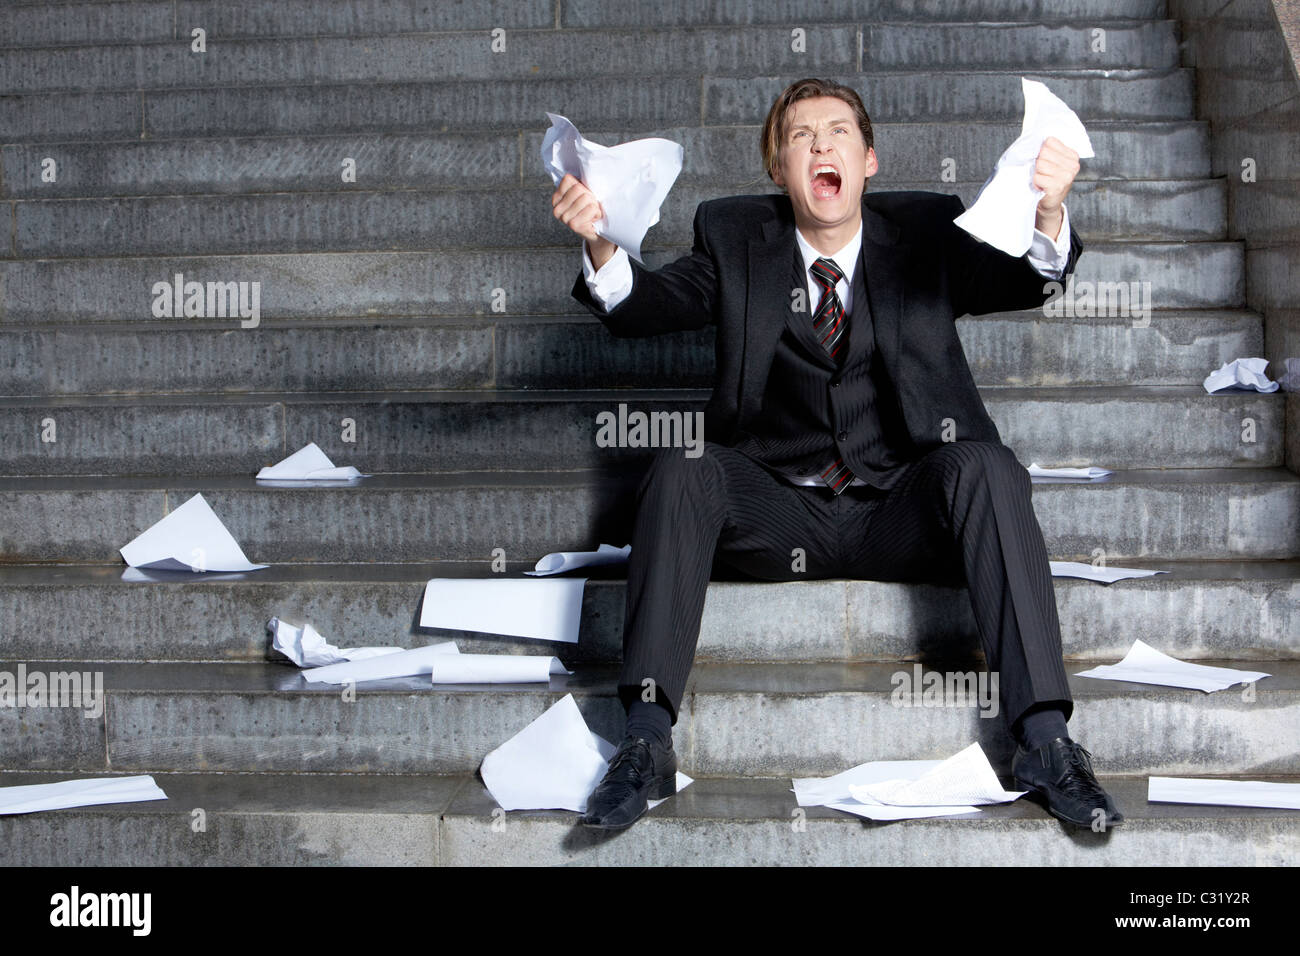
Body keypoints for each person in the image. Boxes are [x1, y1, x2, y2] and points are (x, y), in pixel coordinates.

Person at [549, 77, 1123, 831]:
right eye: (799, 136)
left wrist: (1048, 210)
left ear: (870, 160)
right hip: (778, 510)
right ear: (780, 172)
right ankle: (646, 742)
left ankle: (1045, 742)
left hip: (900, 508)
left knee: (987, 465)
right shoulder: (732, 236)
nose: (820, 143)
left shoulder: (925, 229)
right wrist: (600, 237)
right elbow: (646, 305)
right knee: (682, 466)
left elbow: (1018, 277)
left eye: (837, 131)